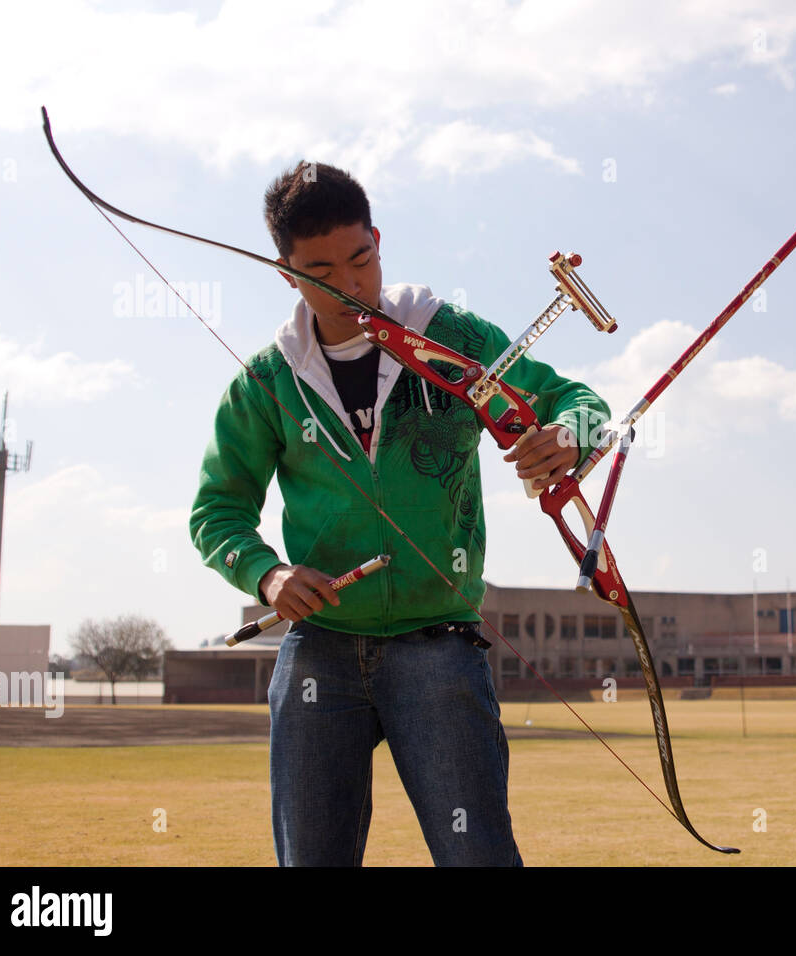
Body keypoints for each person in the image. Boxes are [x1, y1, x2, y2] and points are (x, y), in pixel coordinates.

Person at [189, 160, 610, 866]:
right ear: (285, 272)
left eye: (362, 260)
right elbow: (218, 510)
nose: (351, 286)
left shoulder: (452, 338)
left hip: (438, 646)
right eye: (322, 271)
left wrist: (567, 438)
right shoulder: (265, 381)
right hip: (318, 648)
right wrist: (268, 576)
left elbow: (578, 401)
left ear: (378, 241)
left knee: (477, 855)